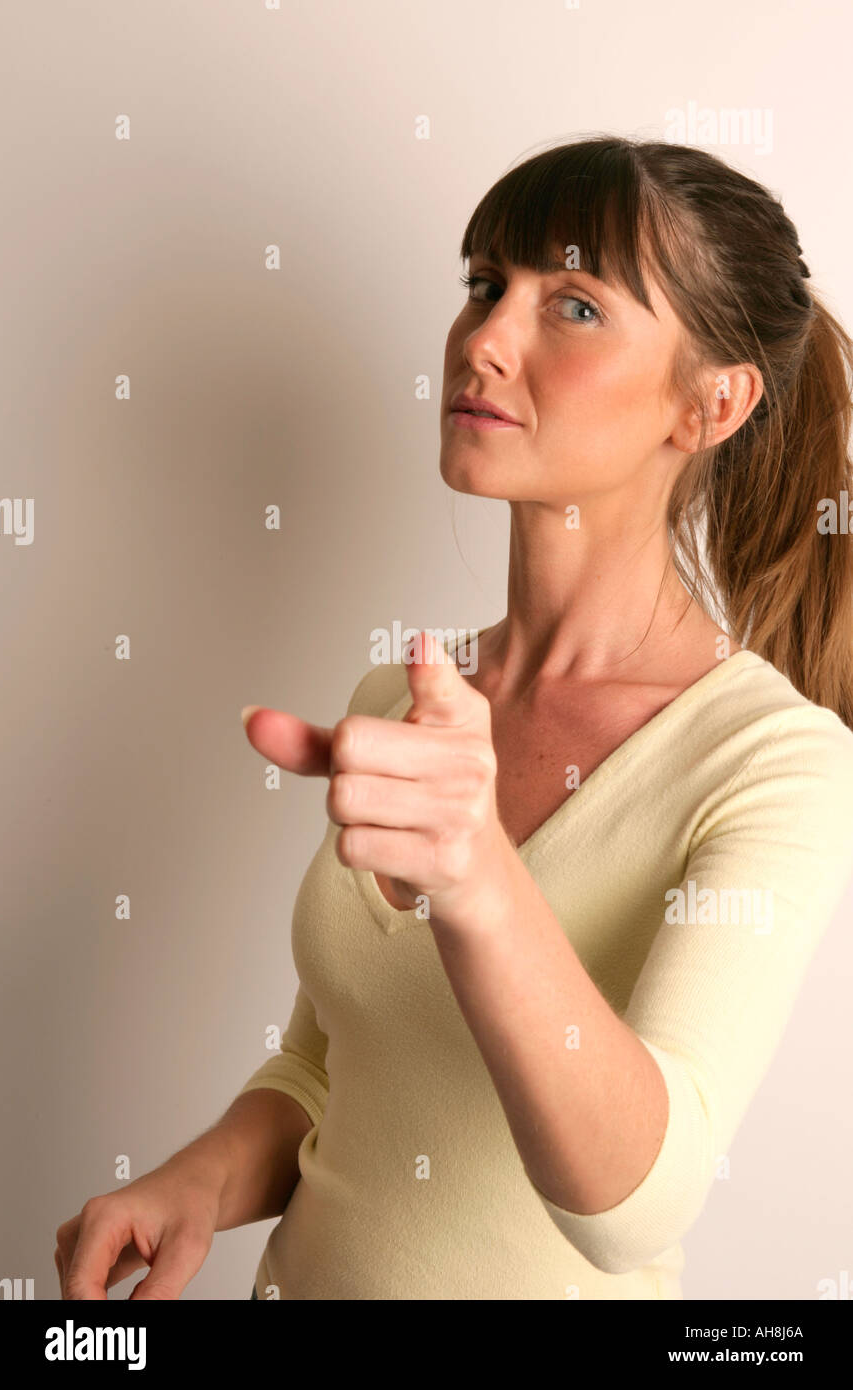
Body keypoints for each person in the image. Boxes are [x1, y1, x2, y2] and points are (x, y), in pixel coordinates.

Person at [55, 135, 853, 1301]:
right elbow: (327, 1069)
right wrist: (194, 1182)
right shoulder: (405, 697)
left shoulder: (773, 762)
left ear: (712, 401)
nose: (482, 338)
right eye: (486, 284)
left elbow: (646, 1201)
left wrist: (476, 872)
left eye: (573, 304)